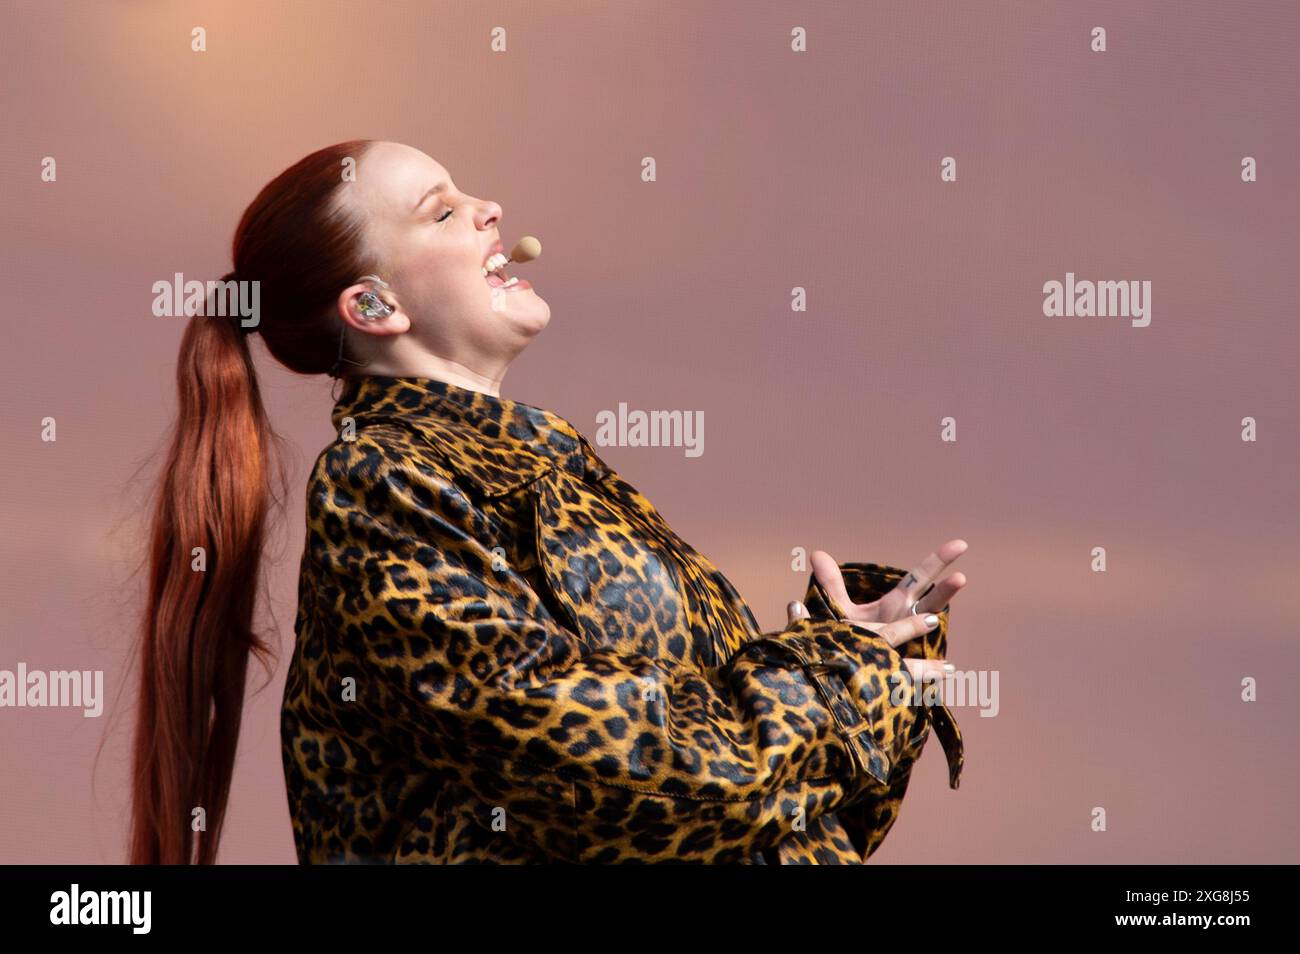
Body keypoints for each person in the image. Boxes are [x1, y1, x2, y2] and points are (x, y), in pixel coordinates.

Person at [131, 139, 969, 865]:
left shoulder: (557, 478)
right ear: (376, 306)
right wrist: (838, 681)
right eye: (441, 211)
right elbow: (623, 776)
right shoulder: (383, 487)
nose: (490, 208)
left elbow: (758, 816)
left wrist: (864, 652)